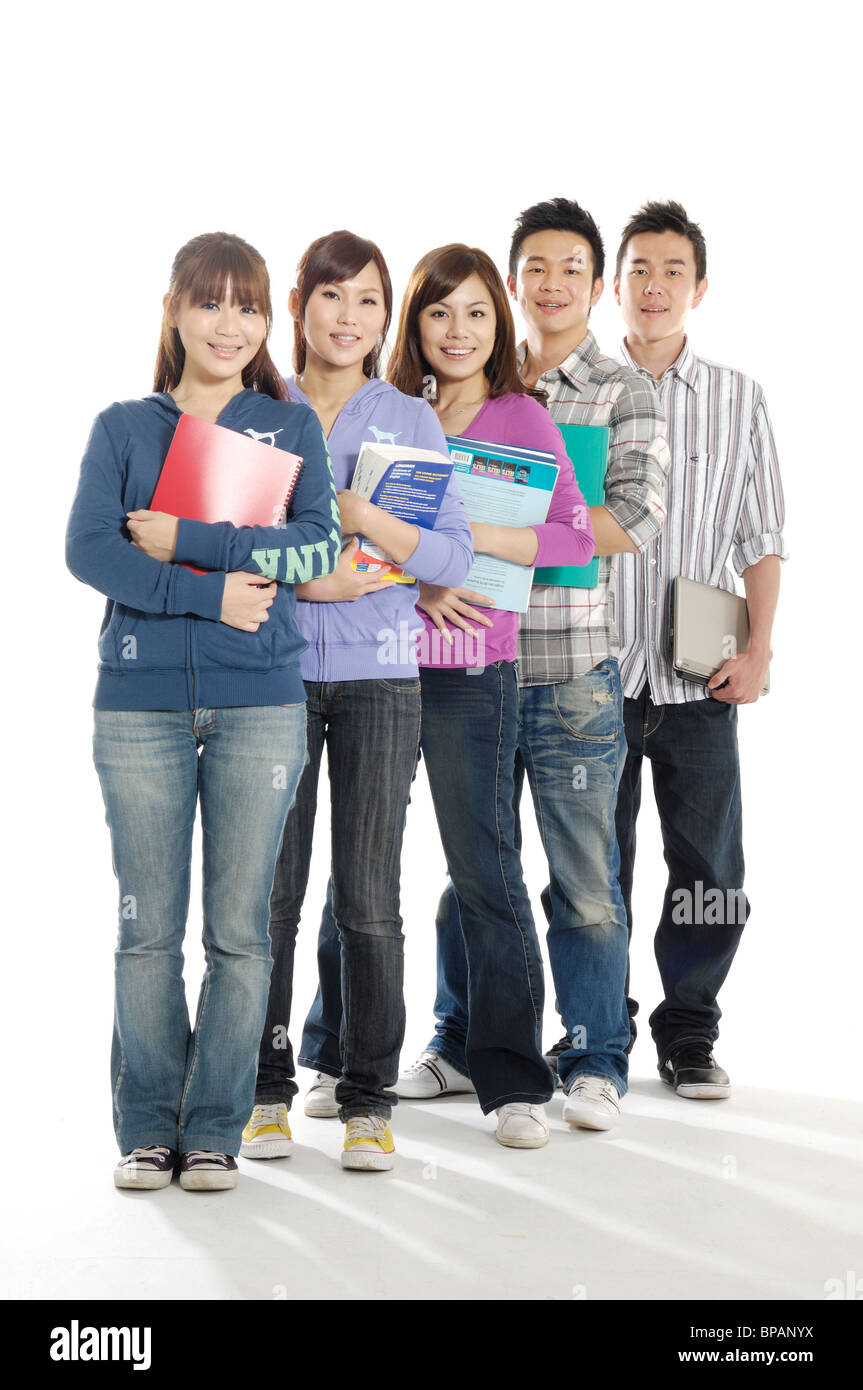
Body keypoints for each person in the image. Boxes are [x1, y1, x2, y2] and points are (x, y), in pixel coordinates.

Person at [298, 243, 595, 1148]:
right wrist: (419, 570)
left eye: (474, 313)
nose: (457, 331)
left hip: (472, 669)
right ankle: (334, 1051)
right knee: (359, 874)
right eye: (438, 313)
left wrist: (472, 546)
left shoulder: (521, 415)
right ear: (410, 326)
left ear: (496, 323)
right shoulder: (387, 413)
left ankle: (509, 1077)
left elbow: (575, 538)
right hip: (371, 659)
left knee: (483, 870)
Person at [65, 231, 341, 1192]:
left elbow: (315, 552)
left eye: (249, 306)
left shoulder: (289, 428)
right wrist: (206, 593)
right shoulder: (122, 428)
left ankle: (215, 1128)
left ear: (267, 319)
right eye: (212, 302)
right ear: (176, 310)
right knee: (147, 929)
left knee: (239, 931)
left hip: (259, 706)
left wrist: (192, 539)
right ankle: (148, 1126)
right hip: (138, 707)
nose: (232, 324)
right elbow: (91, 553)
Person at [398, 199, 670, 1132]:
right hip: (458, 656)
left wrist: (484, 537)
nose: (551, 285)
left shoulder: (615, 389)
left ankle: (594, 1055)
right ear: (513, 283)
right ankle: (460, 1036)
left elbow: (629, 522)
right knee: (475, 864)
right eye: (535, 269)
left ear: (595, 285)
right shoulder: (437, 395)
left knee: (582, 874)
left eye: (571, 269)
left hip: (566, 662)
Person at [240, 231, 472, 1172]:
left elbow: (453, 557)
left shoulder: (411, 420)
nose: (349, 318)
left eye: (369, 300)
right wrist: (309, 585)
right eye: (332, 296)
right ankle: (261, 1091)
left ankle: (368, 1098)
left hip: (382, 679)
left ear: (386, 316)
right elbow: (218, 544)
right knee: (269, 895)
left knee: (369, 897)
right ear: (298, 303)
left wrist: (369, 522)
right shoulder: (256, 411)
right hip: (273, 680)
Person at [611, 200, 786, 1097]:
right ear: (615, 281)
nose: (653, 286)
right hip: (595, 675)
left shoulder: (736, 398)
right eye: (638, 268)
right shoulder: (578, 389)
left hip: (696, 674)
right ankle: (596, 1035)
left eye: (672, 271)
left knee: (710, 870)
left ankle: (689, 1033)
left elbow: (760, 536)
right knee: (593, 867)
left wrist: (755, 655)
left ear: (699, 287)